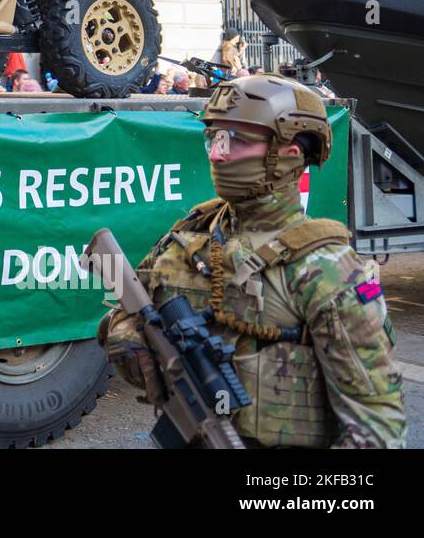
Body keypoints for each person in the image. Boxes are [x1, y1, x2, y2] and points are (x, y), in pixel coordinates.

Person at [97, 74, 406, 448]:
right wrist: (131, 341)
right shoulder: (192, 233)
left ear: (288, 155)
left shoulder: (329, 268)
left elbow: (377, 427)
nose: (217, 153)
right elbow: (125, 308)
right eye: (214, 137)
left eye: (237, 140)